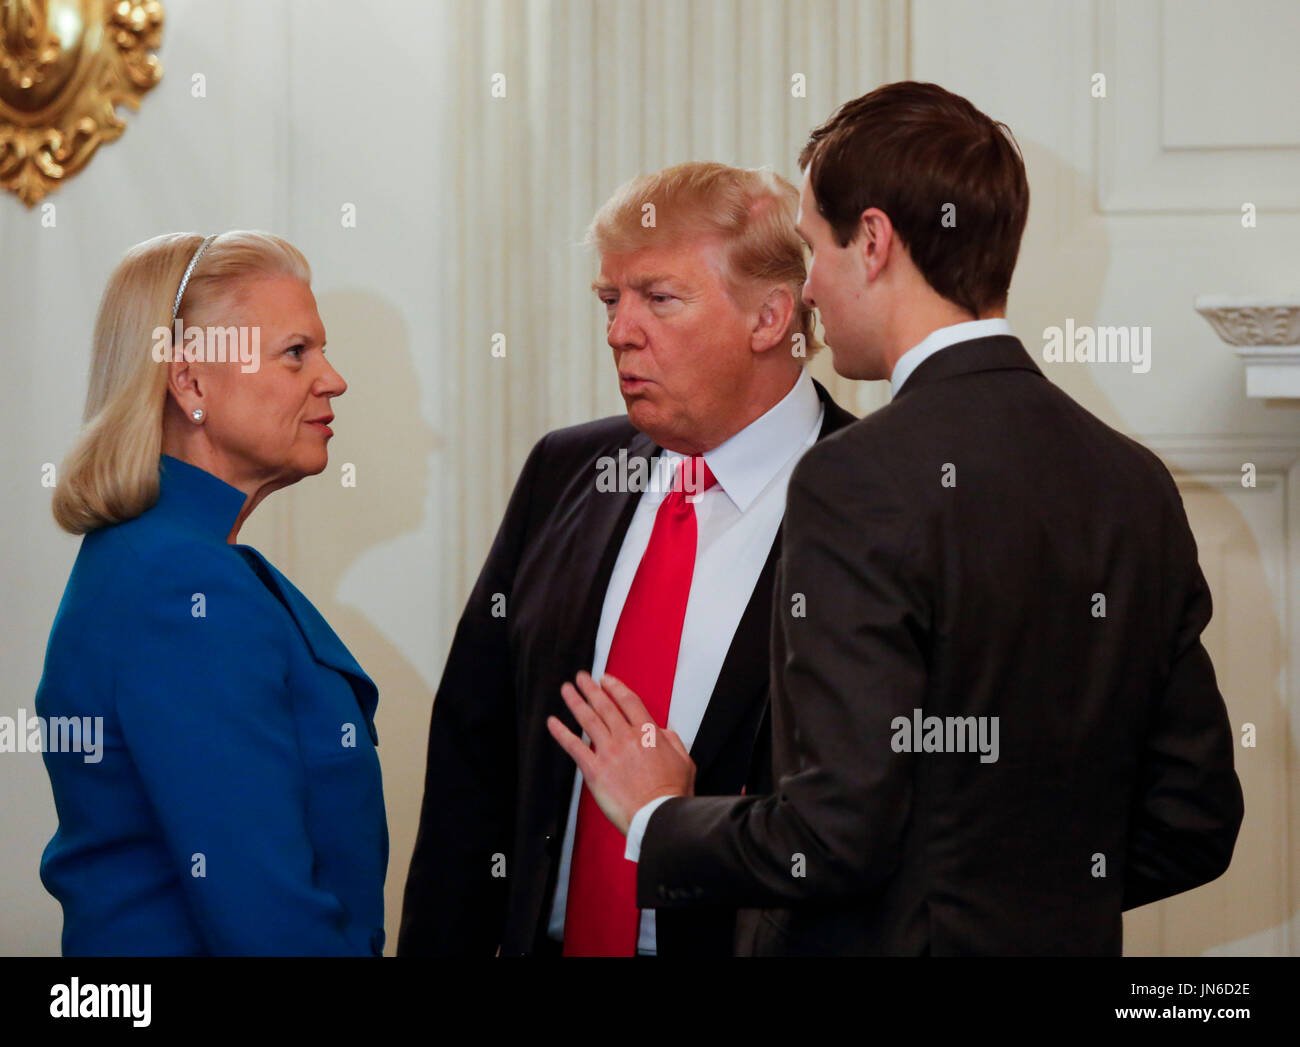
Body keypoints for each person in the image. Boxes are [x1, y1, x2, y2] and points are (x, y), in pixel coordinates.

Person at [549, 82, 1245, 956]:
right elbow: (1194, 818)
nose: (807, 292)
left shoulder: (853, 477)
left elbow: (835, 833)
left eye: (812, 249)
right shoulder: (1134, 480)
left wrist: (660, 816)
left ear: (872, 241)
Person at [398, 162, 856, 956]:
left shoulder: (873, 498)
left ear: (769, 316)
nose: (619, 330)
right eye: (611, 300)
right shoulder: (563, 471)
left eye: (659, 298)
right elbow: (474, 765)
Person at [37, 231, 387, 956]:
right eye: (297, 352)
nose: (333, 379)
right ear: (191, 383)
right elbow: (268, 926)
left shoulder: (159, 558)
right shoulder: (183, 585)